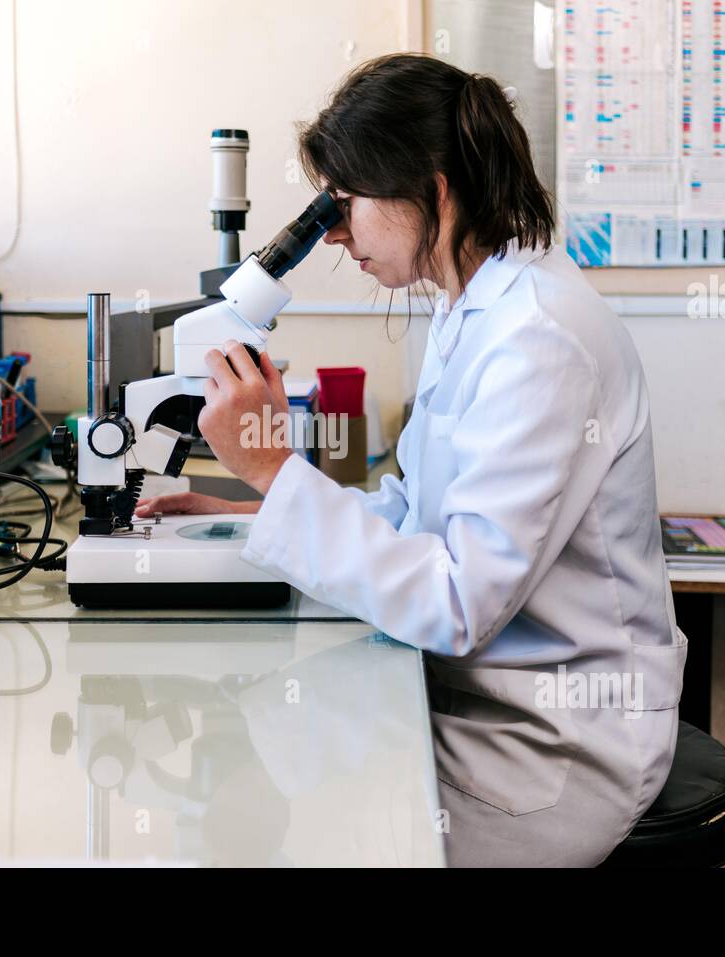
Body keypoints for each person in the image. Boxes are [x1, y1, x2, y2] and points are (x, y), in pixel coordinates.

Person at [136, 53, 686, 867]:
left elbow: (460, 600)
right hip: (476, 695)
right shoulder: (471, 306)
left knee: (300, 830)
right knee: (250, 746)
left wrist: (272, 471)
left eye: (346, 201)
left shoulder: (541, 338)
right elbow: (412, 510)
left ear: (431, 189)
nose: (333, 233)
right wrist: (249, 509)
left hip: (549, 741)